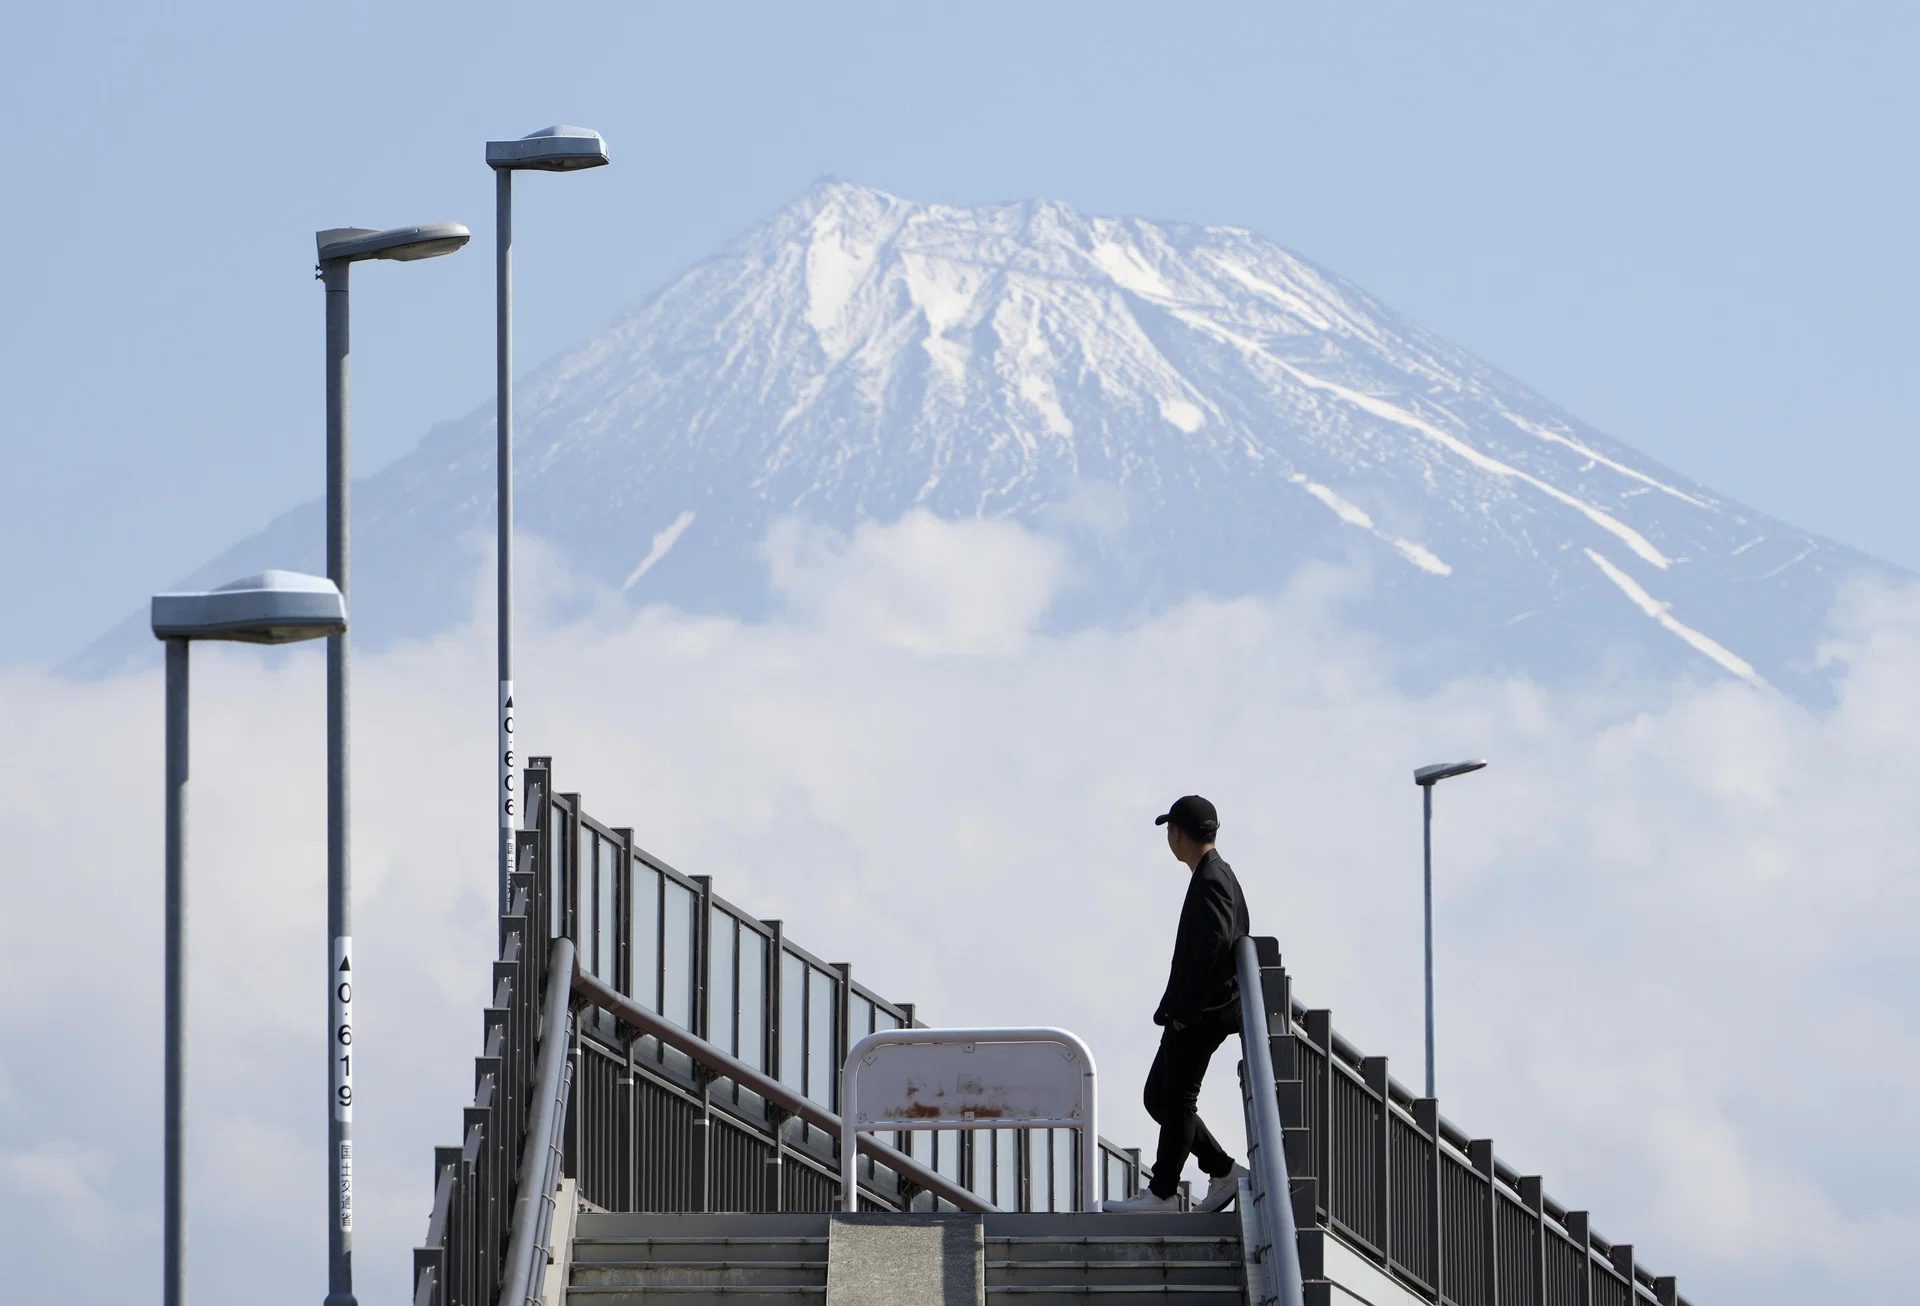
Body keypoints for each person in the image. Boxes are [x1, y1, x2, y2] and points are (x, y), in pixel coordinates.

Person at [1105, 794, 1252, 1213]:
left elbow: (1213, 949)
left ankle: (1164, 1193)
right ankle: (1223, 1170)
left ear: (1178, 834)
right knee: (1159, 1096)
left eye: (1170, 830)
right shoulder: (1214, 874)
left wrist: (1186, 1013)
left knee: (1178, 1098)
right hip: (1197, 1011)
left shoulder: (1211, 881)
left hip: (1201, 1015)